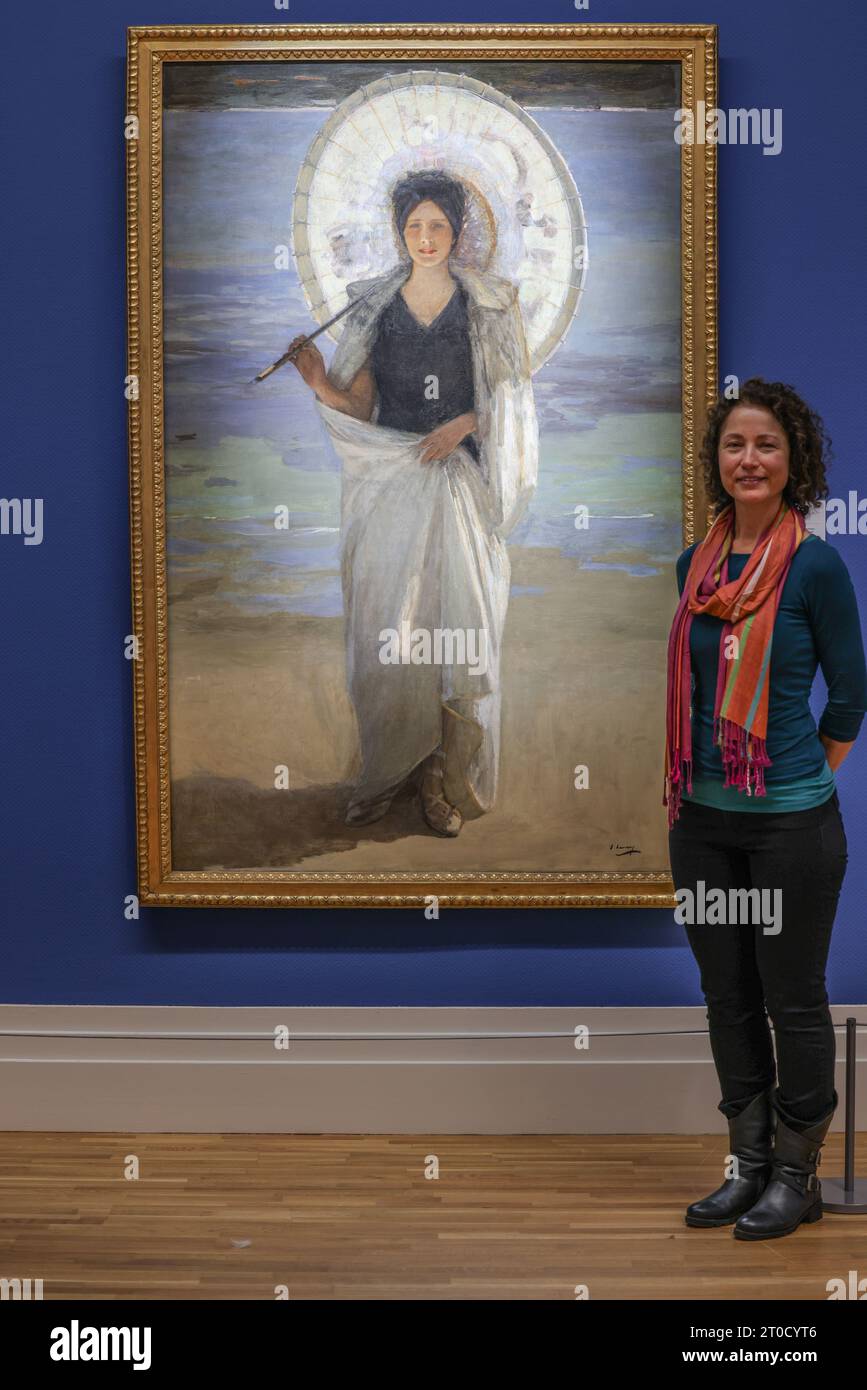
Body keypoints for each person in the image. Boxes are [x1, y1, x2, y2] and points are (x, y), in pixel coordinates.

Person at [664, 378, 866, 1240]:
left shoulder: (814, 564)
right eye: (734, 445)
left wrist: (795, 777)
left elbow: (850, 695)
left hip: (790, 828)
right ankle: (745, 1167)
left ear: (793, 464)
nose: (749, 459)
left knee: (791, 999)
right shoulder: (693, 565)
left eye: (767, 445)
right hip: (701, 826)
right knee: (726, 998)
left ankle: (796, 1175)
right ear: (716, 462)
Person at [287, 169, 538, 837]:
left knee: (464, 630)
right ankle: (392, 770)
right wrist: (317, 380)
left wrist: (460, 425)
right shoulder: (372, 305)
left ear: (458, 233)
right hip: (392, 484)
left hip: (457, 483)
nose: (425, 237)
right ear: (400, 233)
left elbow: (508, 409)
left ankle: (440, 782)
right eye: (413, 226)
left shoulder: (488, 304)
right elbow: (361, 409)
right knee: (391, 632)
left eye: (437, 225)